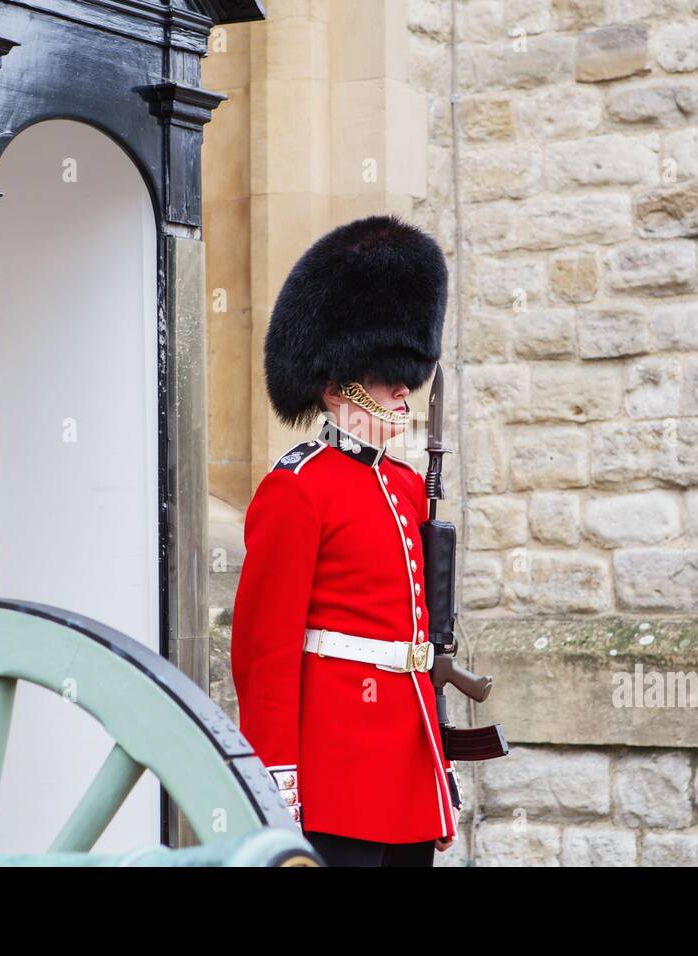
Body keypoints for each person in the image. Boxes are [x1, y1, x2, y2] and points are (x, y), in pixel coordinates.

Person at [230, 215, 462, 868]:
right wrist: (278, 781)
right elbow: (264, 653)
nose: (401, 390)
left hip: (408, 774)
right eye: (384, 375)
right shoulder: (297, 489)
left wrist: (436, 764)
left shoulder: (407, 487)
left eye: (403, 377)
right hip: (337, 783)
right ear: (335, 387)